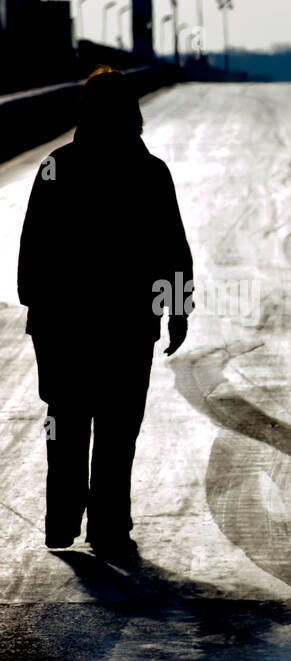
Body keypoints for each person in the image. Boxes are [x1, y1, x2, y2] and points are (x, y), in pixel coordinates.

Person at [17, 67, 192, 561]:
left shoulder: (56, 166)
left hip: (62, 323)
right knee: (118, 426)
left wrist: (35, 305)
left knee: (66, 419)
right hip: (127, 322)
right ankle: (109, 527)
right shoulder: (149, 171)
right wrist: (176, 312)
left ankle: (61, 522)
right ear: (133, 114)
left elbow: (34, 243)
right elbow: (172, 249)